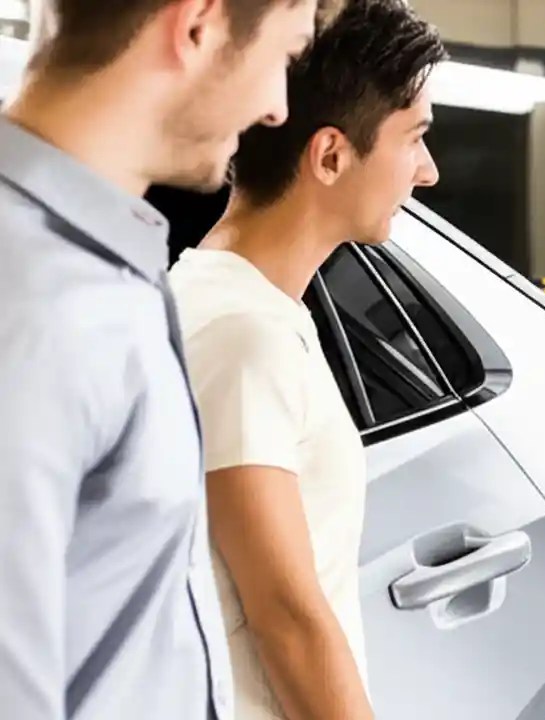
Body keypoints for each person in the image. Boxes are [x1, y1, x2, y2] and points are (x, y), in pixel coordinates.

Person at [0, 1, 317, 718]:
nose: (276, 108)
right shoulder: (35, 298)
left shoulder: (101, 267)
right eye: (284, 58)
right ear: (197, 25)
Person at [167, 1, 445, 717]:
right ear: (330, 155)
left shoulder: (246, 307)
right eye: (414, 139)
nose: (428, 171)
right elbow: (288, 618)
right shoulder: (239, 334)